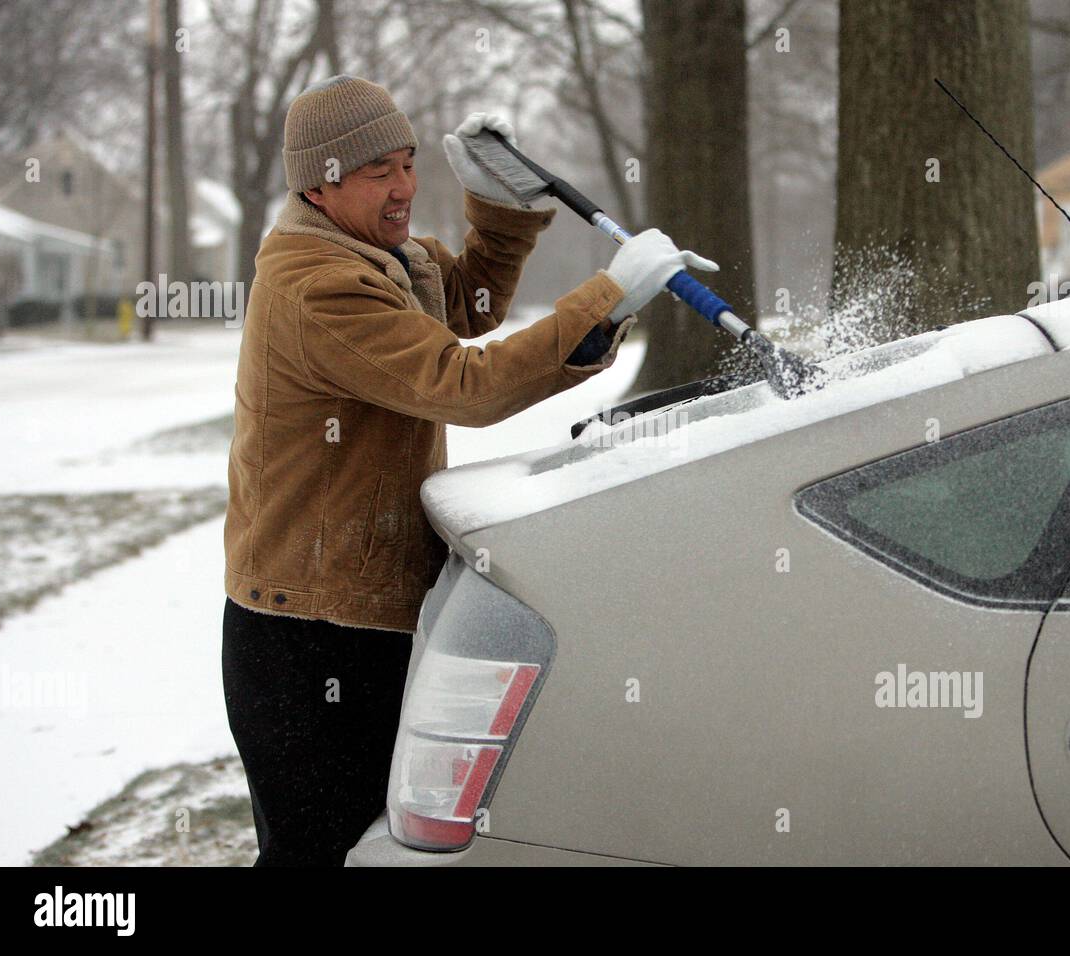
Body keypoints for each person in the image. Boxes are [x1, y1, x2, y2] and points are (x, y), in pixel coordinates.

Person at [220, 75, 717, 866]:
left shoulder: (381, 257)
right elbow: (462, 383)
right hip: (308, 636)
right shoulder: (317, 285)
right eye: (379, 170)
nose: (406, 188)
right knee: (319, 851)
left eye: (411, 162)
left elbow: (467, 301)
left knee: (370, 847)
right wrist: (608, 299)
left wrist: (502, 210)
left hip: (354, 615)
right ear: (322, 181)